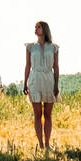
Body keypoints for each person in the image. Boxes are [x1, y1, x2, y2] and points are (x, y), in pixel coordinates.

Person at [23, 21, 60, 153]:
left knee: (48, 114)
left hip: (49, 80)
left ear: (44, 29)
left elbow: (56, 67)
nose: (35, 29)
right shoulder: (30, 47)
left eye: (38, 27)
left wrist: (56, 85)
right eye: (35, 27)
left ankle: (48, 143)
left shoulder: (53, 47)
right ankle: (41, 144)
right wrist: (25, 82)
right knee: (37, 114)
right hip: (35, 80)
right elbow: (28, 65)